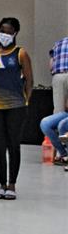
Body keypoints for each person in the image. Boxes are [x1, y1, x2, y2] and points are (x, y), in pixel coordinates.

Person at [0, 17, 33, 200]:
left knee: (13, 145)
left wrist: (26, 101)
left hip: (16, 106)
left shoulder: (20, 53)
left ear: (15, 33)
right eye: (2, 31)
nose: (4, 34)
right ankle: (2, 184)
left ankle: (12, 184)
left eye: (8, 31)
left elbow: (29, 80)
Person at [43, 34, 68, 165]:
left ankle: (61, 153)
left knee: (58, 114)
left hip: (58, 77)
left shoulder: (58, 43)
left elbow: (51, 65)